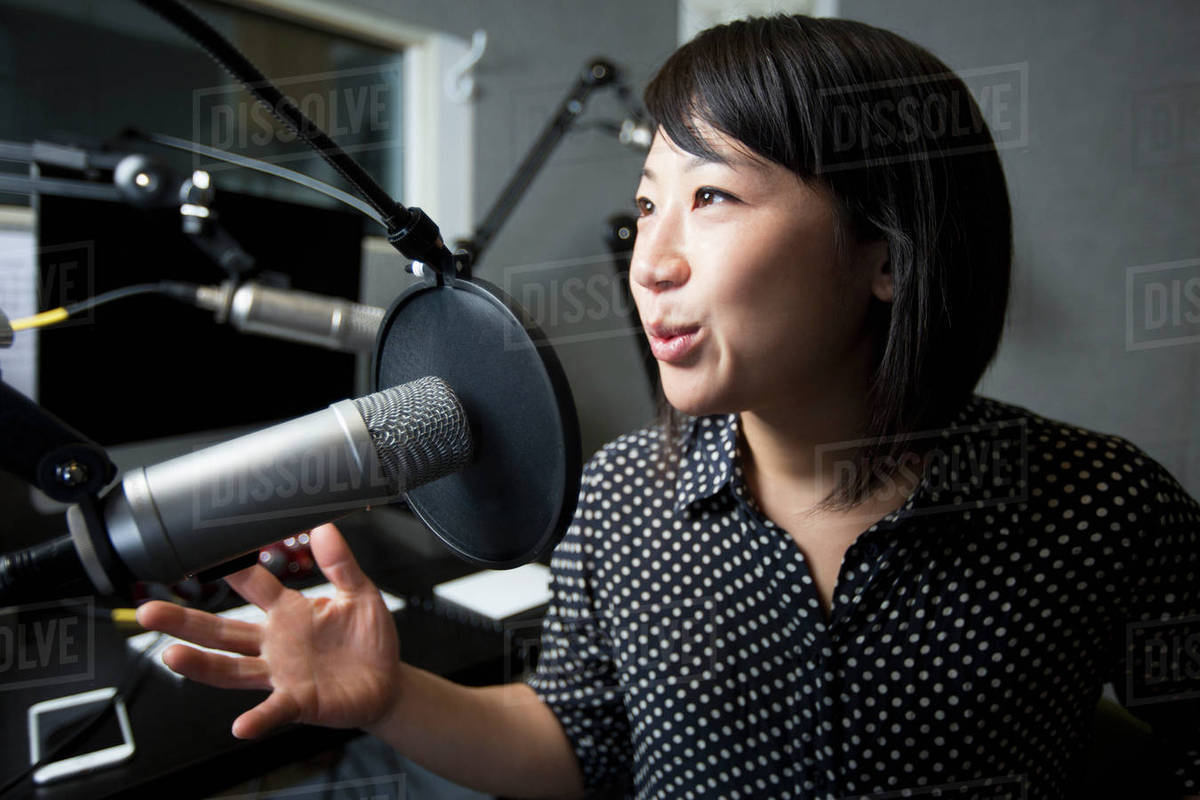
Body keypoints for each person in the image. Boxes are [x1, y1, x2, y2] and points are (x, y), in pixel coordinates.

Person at [136, 14, 1200, 800]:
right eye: (647, 204)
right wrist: (391, 694)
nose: (653, 261)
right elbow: (575, 746)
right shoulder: (621, 497)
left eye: (711, 197)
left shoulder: (1103, 505)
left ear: (885, 249)